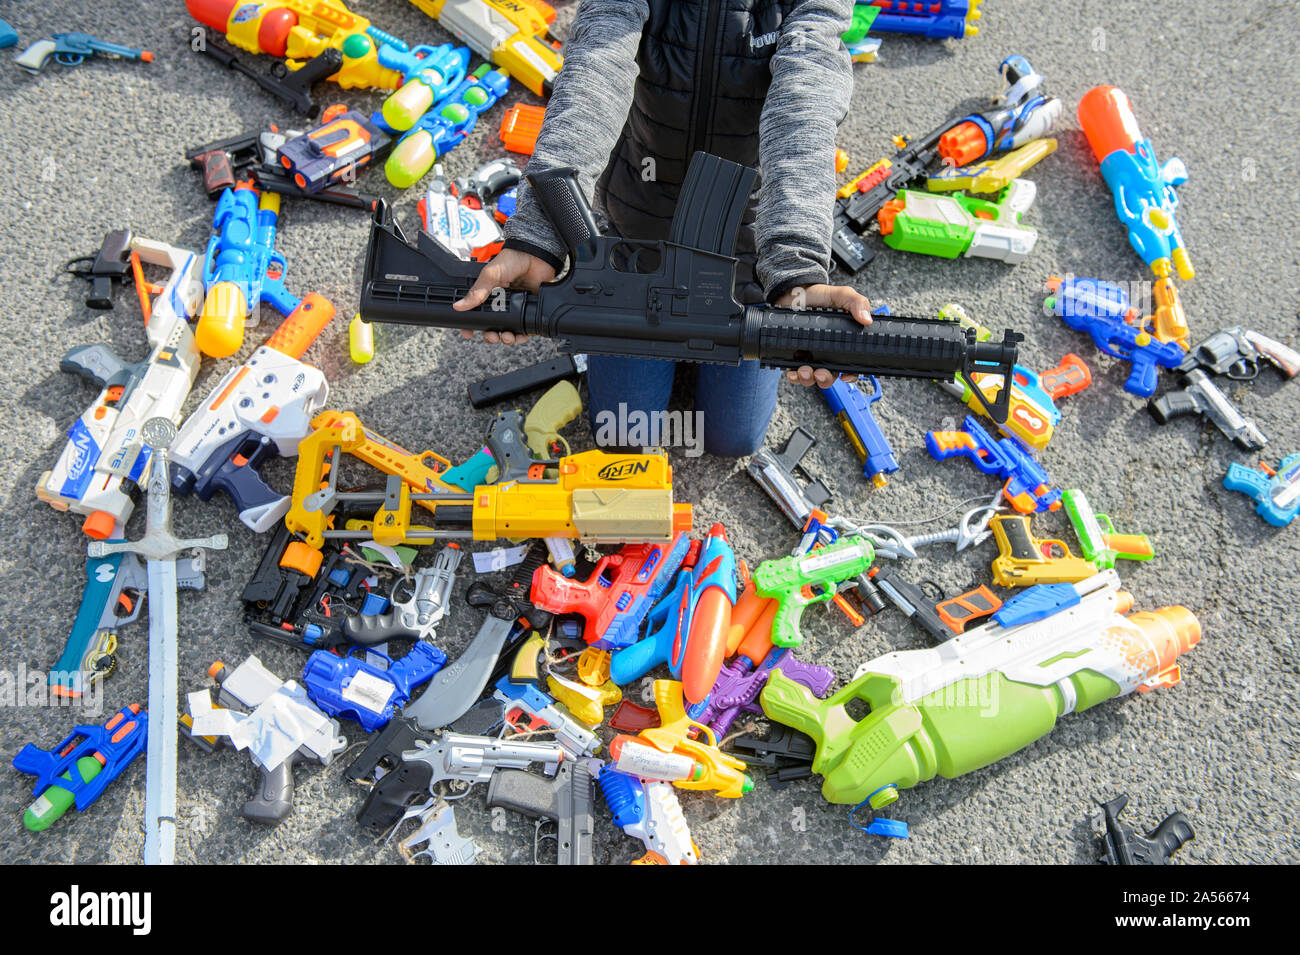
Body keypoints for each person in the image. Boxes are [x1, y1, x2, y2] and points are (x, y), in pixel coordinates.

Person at [454, 0, 871, 457]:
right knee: (625, 439)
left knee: (733, 440)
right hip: (634, 248)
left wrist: (795, 272)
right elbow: (595, 71)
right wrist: (537, 235)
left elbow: (803, 113)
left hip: (746, 263)